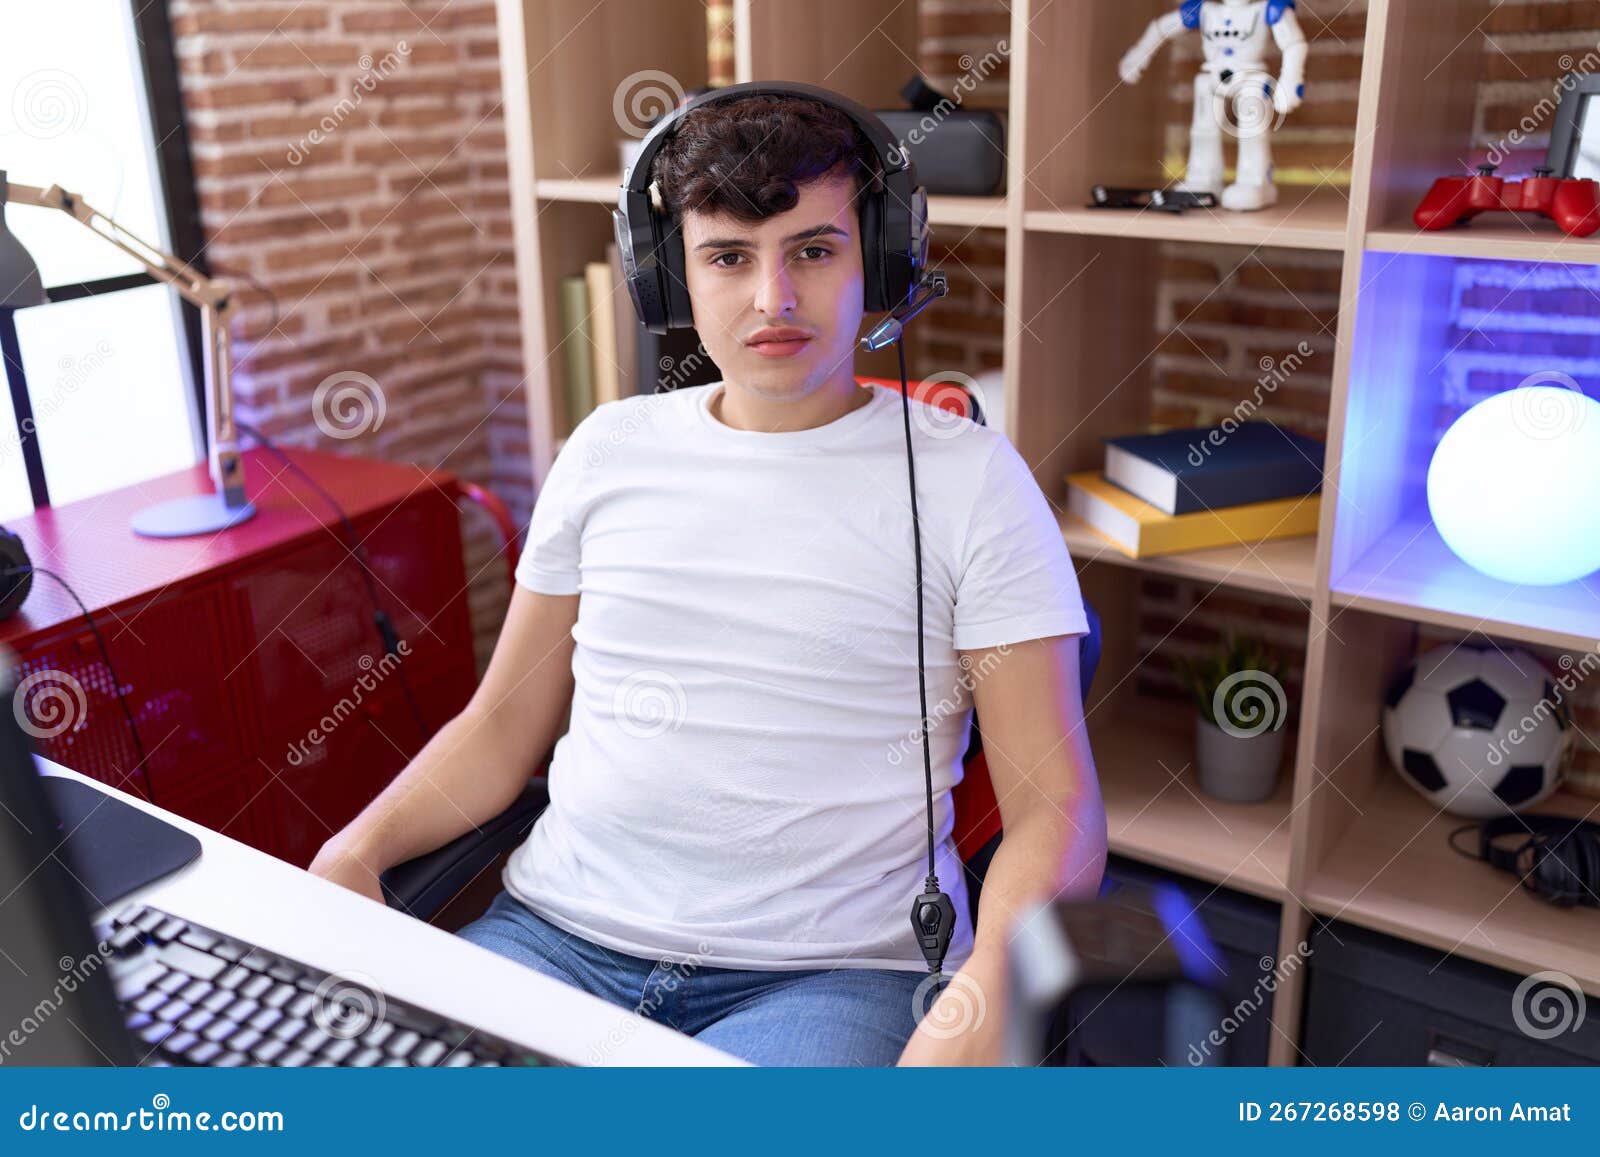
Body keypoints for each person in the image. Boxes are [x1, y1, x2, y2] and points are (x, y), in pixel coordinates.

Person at [310, 91, 1106, 1066]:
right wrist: (354, 849)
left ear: (881, 258)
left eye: (812, 250)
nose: (772, 297)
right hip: (557, 936)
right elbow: (497, 728)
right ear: (667, 275)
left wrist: (986, 981)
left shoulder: (971, 480)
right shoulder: (606, 450)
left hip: (830, 975)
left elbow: (1053, 803)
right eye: (729, 256)